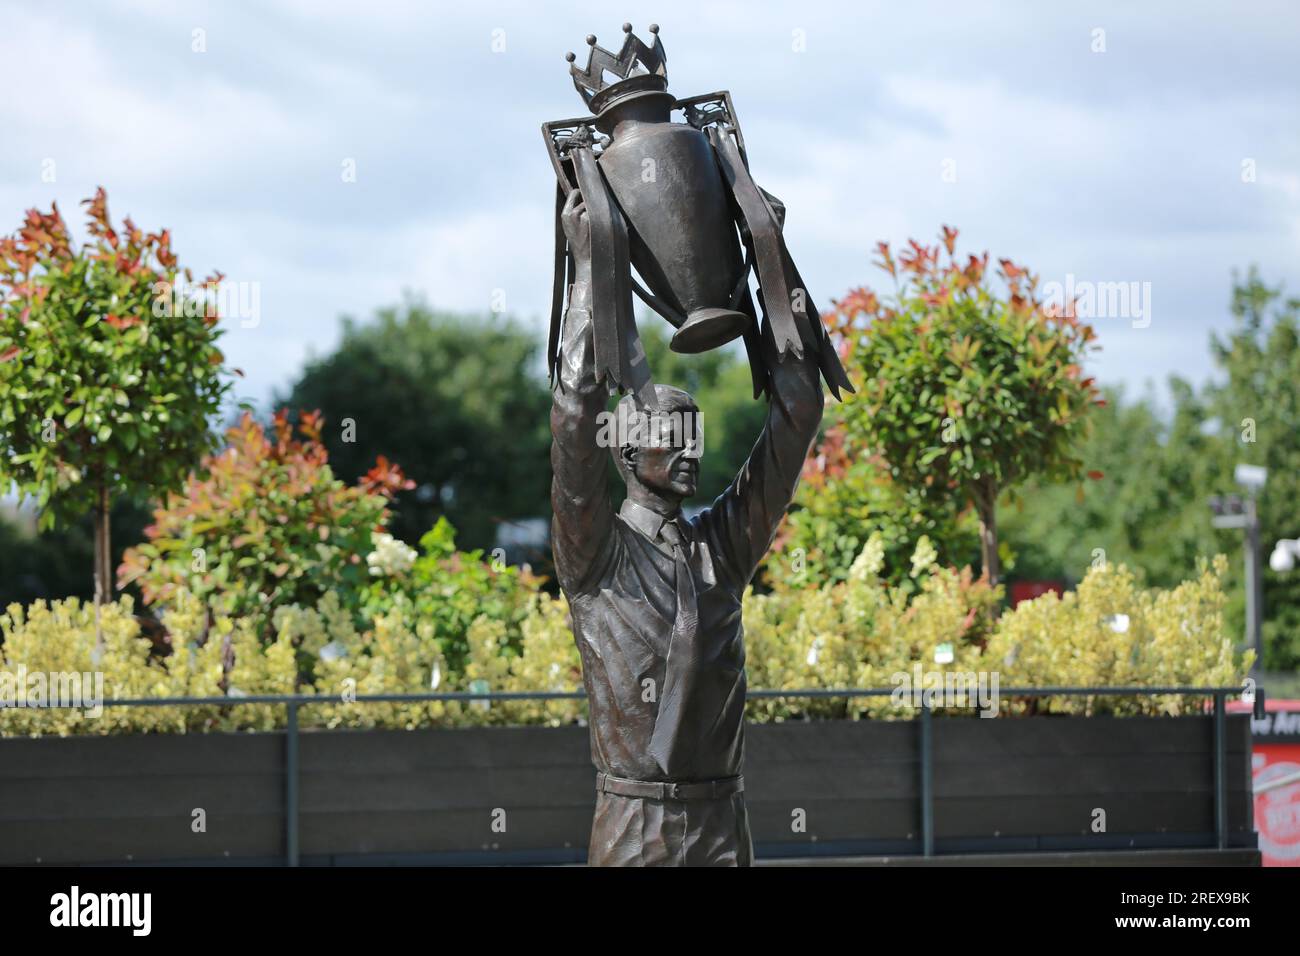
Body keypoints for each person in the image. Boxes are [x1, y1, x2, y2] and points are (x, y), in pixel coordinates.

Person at [550, 189, 826, 866]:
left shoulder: (720, 550)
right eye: (668, 437)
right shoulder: (594, 556)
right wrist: (590, 274)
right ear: (624, 452)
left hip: (721, 826)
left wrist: (770, 259)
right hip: (632, 827)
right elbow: (574, 418)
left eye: (693, 436)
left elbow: (797, 411)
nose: (689, 450)